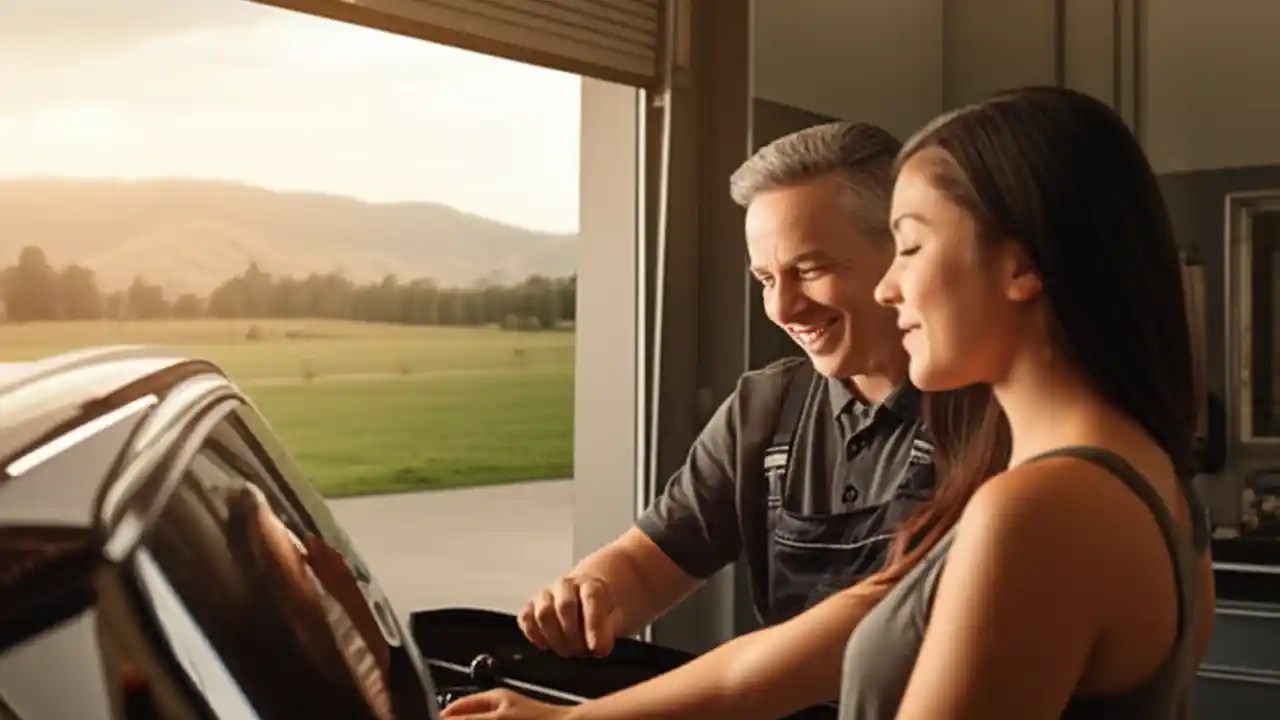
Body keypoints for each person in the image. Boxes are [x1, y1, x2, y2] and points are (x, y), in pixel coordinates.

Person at [444, 123, 937, 717]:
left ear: (903, 252)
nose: (782, 307)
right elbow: (647, 564)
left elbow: (848, 645)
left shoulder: (998, 423)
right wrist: (592, 591)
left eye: (810, 269)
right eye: (765, 279)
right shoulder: (765, 409)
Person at [837, 86, 1216, 717]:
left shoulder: (1039, 513)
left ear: (1021, 266)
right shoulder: (1161, 485)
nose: (886, 288)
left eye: (910, 247)